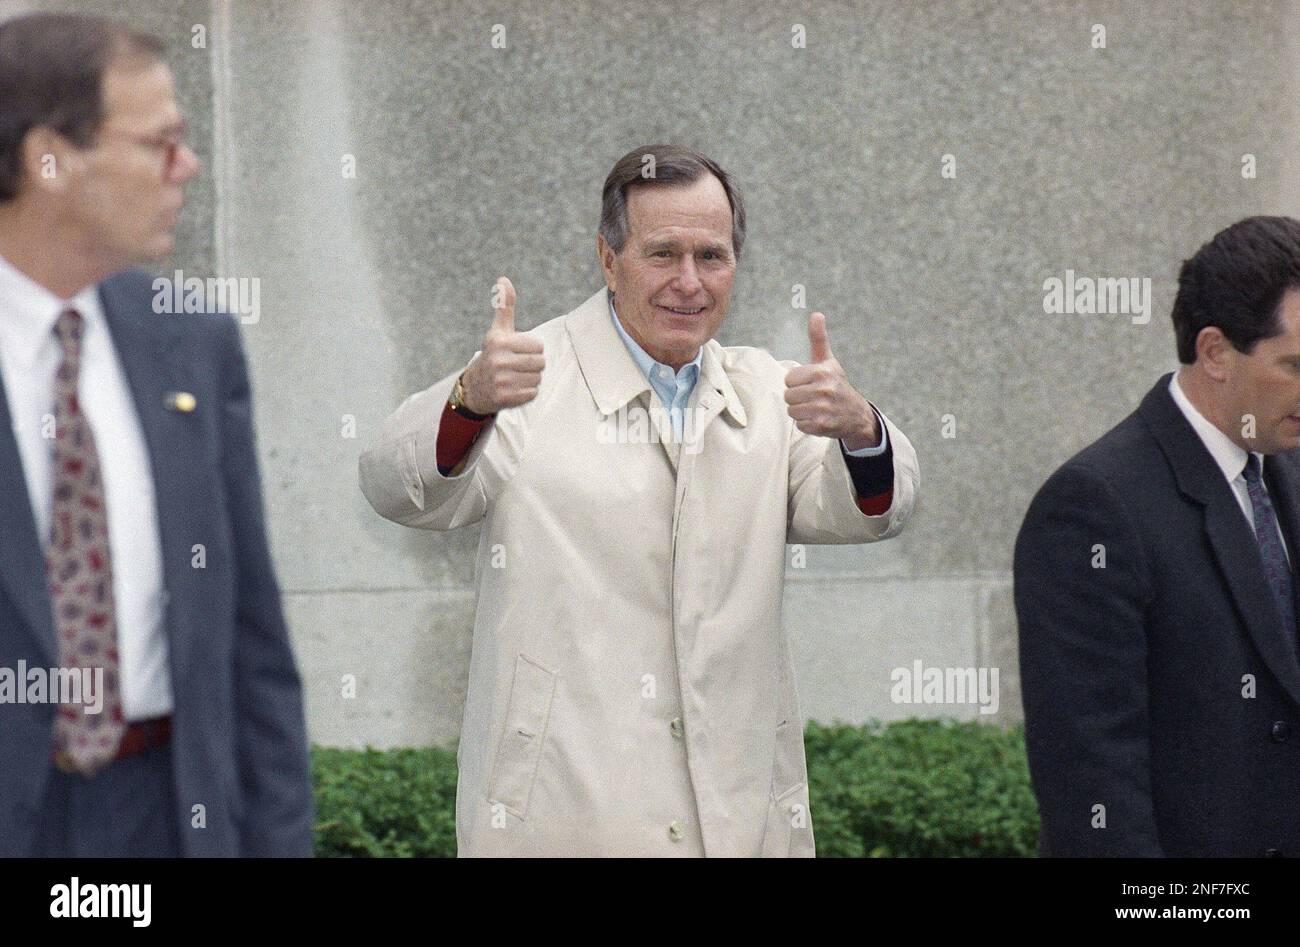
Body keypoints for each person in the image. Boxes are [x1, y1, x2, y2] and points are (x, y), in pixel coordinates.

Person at [360, 144, 919, 856]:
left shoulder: (767, 395)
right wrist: (467, 401)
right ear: (608, 257)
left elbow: (874, 508)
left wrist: (858, 428)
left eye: (711, 256)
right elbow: (393, 485)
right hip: (562, 822)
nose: (689, 282)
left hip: (742, 828)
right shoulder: (526, 377)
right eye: (663, 253)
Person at [0, 12, 313, 857]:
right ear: (50, 158)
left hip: (167, 816)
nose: (188, 165)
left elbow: (254, 644)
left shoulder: (192, 345)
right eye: (159, 143)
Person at [1016, 215, 1300, 857]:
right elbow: (1091, 780)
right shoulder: (1093, 506)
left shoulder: (1286, 464)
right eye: (1295, 366)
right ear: (1217, 353)